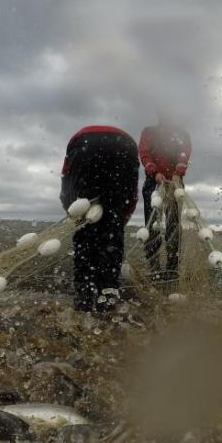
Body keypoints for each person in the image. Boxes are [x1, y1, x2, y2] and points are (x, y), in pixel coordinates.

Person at [60, 125, 139, 312]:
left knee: (84, 234)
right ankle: (108, 299)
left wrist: (73, 212)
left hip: (84, 143)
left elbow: (66, 179)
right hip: (125, 146)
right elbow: (132, 192)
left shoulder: (78, 143)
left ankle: (84, 299)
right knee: (112, 240)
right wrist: (119, 221)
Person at [139, 118, 192, 277]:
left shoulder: (182, 133)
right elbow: (144, 153)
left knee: (173, 224)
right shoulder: (149, 132)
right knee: (151, 222)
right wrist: (154, 172)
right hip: (153, 180)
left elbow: (184, 152)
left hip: (175, 182)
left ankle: (172, 268)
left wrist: (178, 172)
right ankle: (154, 266)